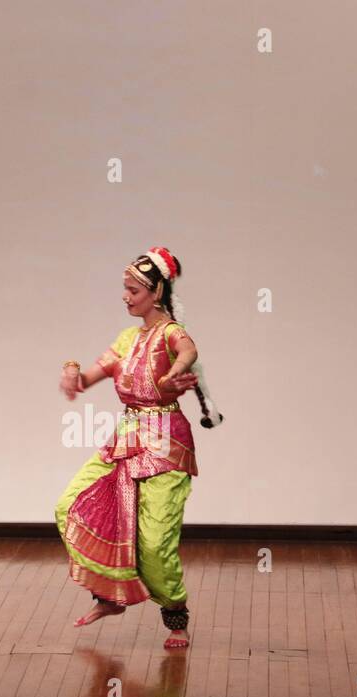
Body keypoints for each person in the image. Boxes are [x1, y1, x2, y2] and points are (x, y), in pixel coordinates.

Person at [56, 247, 202, 649]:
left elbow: (188, 351)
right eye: (124, 289)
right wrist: (73, 375)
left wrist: (174, 373)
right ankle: (109, 596)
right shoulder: (125, 339)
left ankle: (176, 615)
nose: (125, 296)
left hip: (165, 442)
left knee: (155, 543)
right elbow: (89, 378)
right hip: (127, 438)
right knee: (74, 504)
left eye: (133, 289)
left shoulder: (171, 332)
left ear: (156, 292)